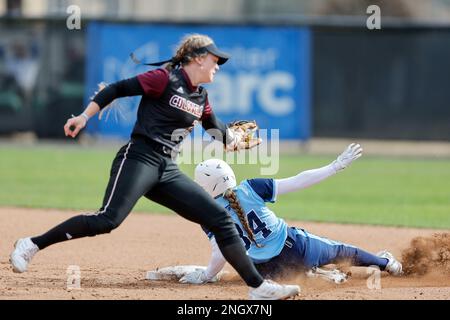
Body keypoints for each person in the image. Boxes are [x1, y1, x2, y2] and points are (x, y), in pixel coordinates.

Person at [9, 34, 299, 300]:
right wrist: (84, 117)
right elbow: (117, 89)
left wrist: (233, 139)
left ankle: (258, 287)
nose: (218, 66)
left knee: (221, 219)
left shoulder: (201, 97)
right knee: (108, 219)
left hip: (166, 169)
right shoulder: (164, 79)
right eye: (215, 59)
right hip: (139, 157)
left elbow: (216, 129)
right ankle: (31, 244)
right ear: (198, 58)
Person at [177, 143, 403, 285]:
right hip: (296, 248)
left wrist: (207, 276)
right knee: (342, 251)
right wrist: (335, 166)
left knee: (258, 263)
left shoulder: (207, 214)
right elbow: (298, 181)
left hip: (267, 271)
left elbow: (221, 255)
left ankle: (316, 275)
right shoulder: (250, 187)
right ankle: (387, 264)